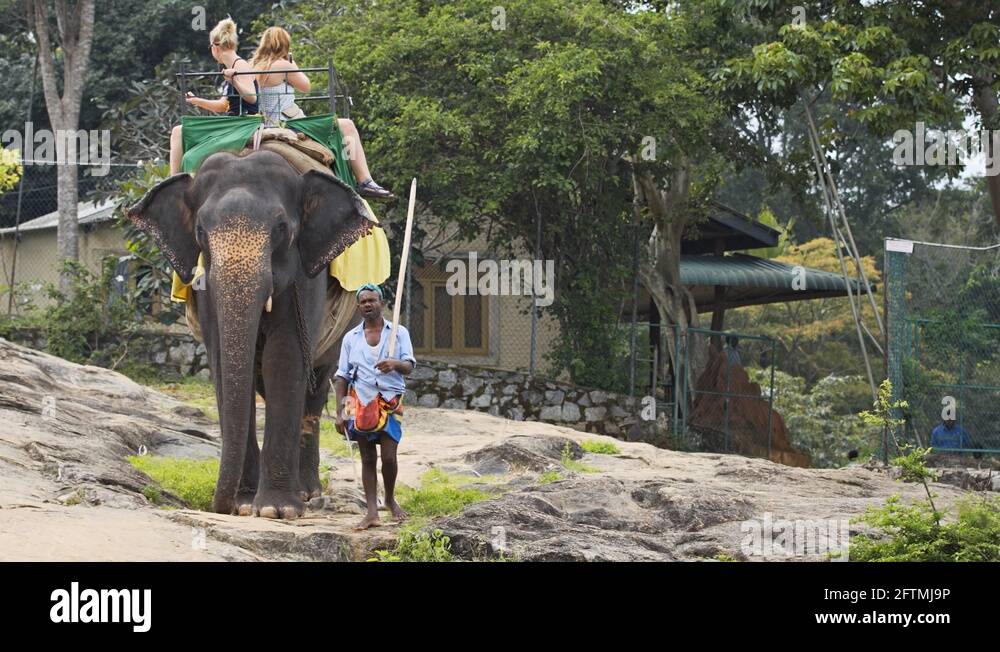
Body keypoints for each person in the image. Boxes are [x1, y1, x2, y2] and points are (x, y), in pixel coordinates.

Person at [251, 26, 395, 201]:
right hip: (289, 123)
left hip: (264, 123)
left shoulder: (254, 66)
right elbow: (306, 86)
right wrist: (292, 62)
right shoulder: (283, 64)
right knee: (347, 125)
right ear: (284, 45)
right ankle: (364, 180)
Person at [333, 283, 416, 530]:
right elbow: (342, 376)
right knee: (367, 457)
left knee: (389, 457)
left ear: (381, 303)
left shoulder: (398, 333)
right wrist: (341, 411)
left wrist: (394, 364)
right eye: (363, 301)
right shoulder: (351, 338)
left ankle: (389, 499)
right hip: (361, 401)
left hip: (390, 400)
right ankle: (371, 512)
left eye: (372, 300)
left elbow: (410, 366)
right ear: (358, 307)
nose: (368, 304)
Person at [168, 18, 258, 175]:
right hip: (233, 121)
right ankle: (173, 181)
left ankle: (174, 182)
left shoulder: (240, 65)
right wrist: (197, 101)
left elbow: (252, 98)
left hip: (243, 123)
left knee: (188, 152)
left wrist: (234, 81)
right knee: (178, 131)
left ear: (216, 48)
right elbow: (224, 105)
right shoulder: (230, 68)